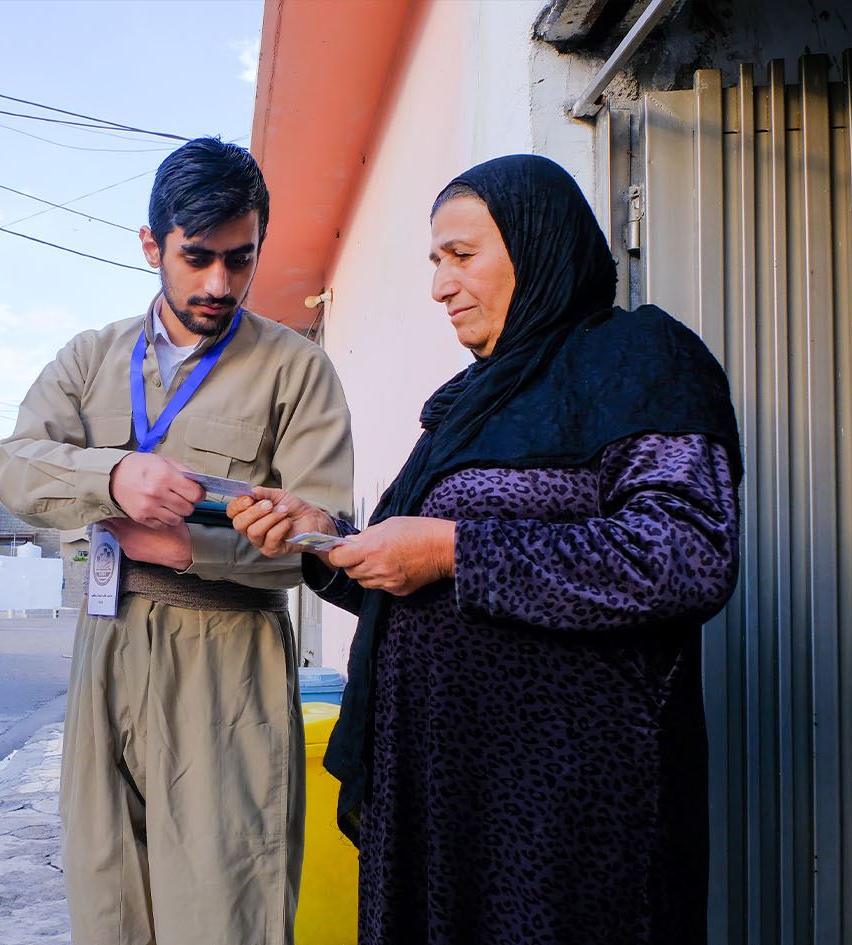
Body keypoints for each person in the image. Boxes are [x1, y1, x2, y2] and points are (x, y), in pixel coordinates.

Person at [228, 155, 742, 945]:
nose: (439, 285)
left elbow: (684, 552)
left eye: (462, 256)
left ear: (538, 246)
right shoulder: (469, 405)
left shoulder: (640, 361)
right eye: (435, 262)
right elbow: (399, 577)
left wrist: (457, 551)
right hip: (442, 797)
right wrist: (323, 540)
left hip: (564, 809)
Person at [0, 137, 354, 945]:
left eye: (241, 259)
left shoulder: (297, 372)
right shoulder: (90, 359)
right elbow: (15, 469)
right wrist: (114, 475)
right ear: (152, 245)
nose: (220, 283)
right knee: (107, 896)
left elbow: (321, 537)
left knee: (223, 906)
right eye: (197, 258)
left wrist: (184, 547)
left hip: (226, 657)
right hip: (105, 645)